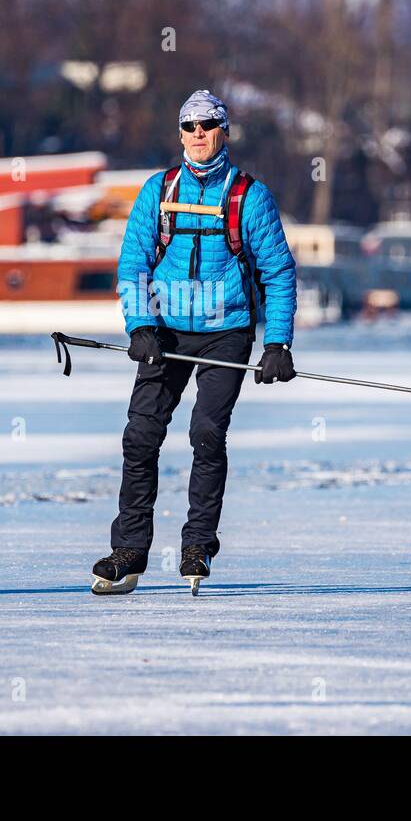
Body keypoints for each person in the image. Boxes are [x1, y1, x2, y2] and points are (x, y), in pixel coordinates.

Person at [92, 89, 297, 594]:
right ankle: (129, 551)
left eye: (208, 125)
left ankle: (197, 545)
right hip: (164, 329)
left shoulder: (249, 196)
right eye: (189, 126)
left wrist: (278, 345)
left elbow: (279, 274)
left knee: (206, 434)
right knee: (140, 437)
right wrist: (139, 327)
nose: (199, 134)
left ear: (223, 130)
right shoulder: (157, 191)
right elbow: (133, 264)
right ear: (179, 133)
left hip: (226, 332)